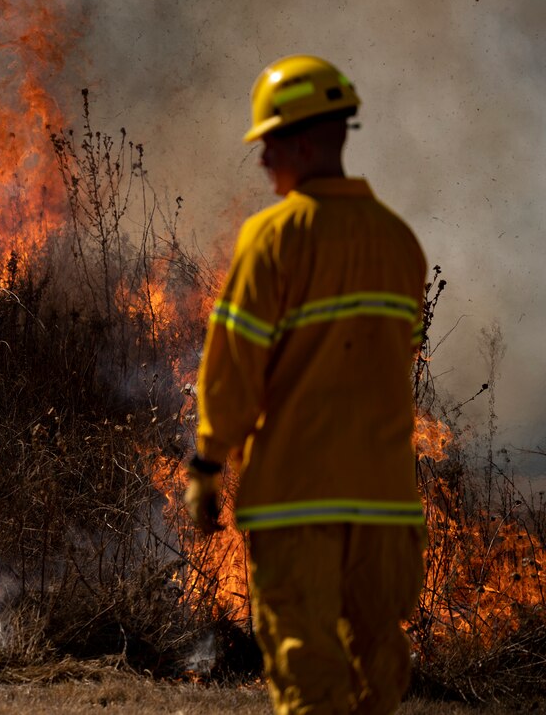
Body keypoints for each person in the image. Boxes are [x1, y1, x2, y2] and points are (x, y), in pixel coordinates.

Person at [185, 55, 427, 714]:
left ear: (304, 142)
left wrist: (207, 462)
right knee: (378, 677)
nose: (261, 161)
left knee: (308, 678)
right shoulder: (400, 241)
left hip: (298, 501)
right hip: (386, 505)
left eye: (267, 144)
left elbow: (234, 364)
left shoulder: (274, 237)